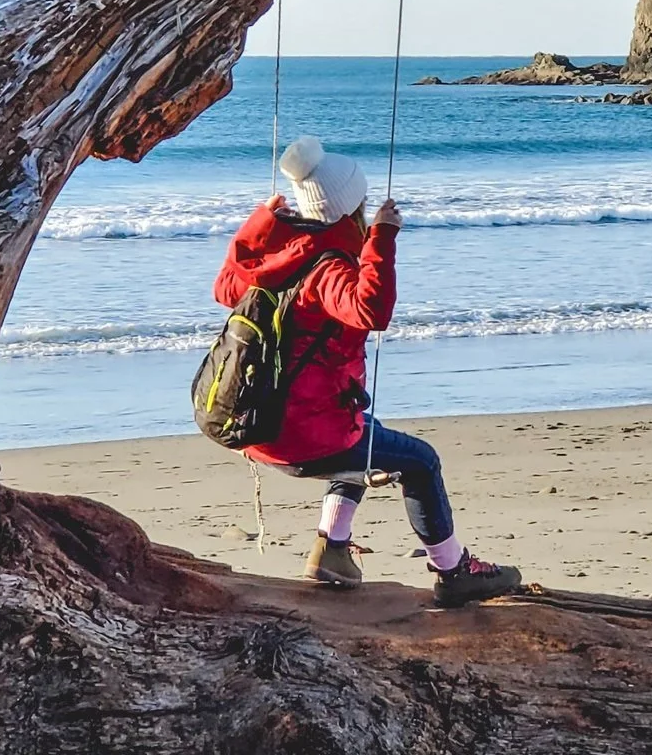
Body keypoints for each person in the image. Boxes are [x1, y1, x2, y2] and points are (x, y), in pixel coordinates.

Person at [213, 135, 520, 607]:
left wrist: (263, 223)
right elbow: (370, 309)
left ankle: (331, 550)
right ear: (351, 210)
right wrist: (382, 238)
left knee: (363, 432)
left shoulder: (281, 256)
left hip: (257, 426)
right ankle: (453, 570)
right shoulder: (326, 268)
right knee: (421, 461)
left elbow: (225, 286)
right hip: (301, 437)